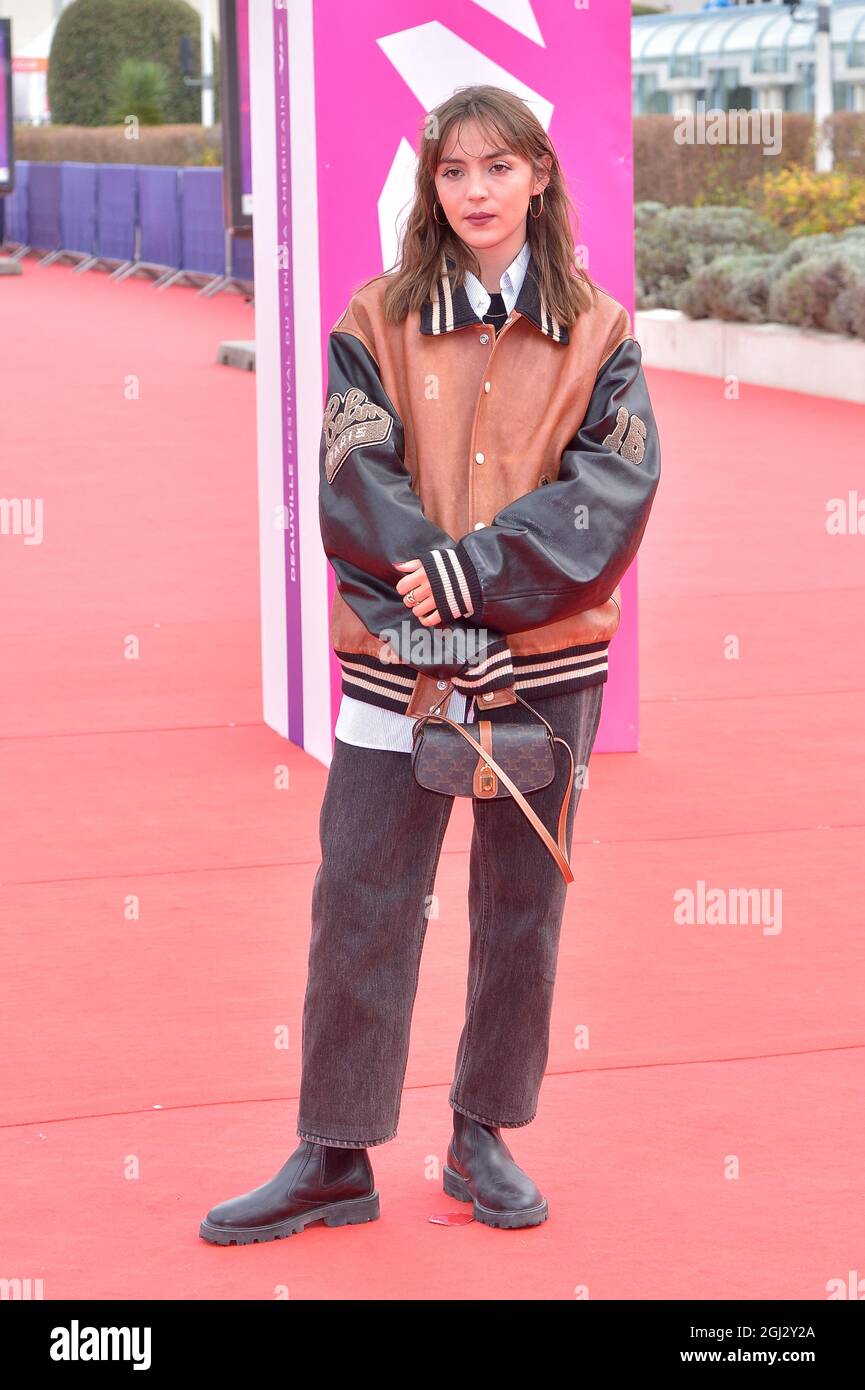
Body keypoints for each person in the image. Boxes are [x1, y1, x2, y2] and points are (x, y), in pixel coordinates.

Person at [200, 84, 661, 1244]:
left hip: (545, 671)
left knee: (520, 910)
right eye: (453, 172)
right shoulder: (375, 317)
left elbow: (612, 496)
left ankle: (481, 1135)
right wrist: (446, 623)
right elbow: (355, 491)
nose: (474, 193)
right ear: (431, 185)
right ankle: (335, 1152)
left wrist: (481, 580)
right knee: (359, 897)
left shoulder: (601, 330)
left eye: (497, 169)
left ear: (539, 178)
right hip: (400, 665)